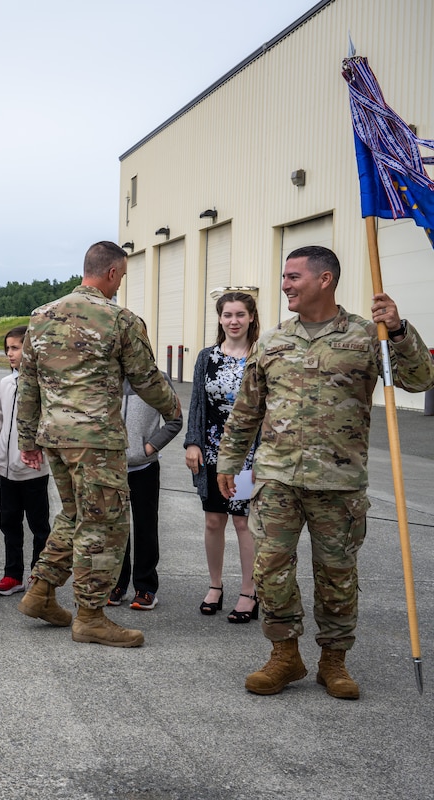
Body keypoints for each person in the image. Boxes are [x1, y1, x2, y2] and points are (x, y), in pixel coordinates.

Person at [217, 245, 434, 699]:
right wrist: (230, 460)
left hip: (339, 482)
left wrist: (398, 331)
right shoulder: (273, 341)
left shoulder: (366, 335)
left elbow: (419, 379)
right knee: (270, 569)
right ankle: (284, 656)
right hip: (276, 478)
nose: (285, 285)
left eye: (293, 277)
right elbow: (248, 408)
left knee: (337, 575)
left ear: (325, 279)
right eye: (284, 277)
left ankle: (333, 661)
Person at [16, 241, 180, 647]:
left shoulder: (40, 316)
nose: (120, 284)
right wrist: (174, 409)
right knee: (104, 525)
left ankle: (41, 591)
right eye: (121, 276)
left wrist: (27, 437)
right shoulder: (120, 319)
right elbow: (145, 379)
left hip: (54, 437)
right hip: (96, 441)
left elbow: (28, 384)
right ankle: (90, 615)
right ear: (111, 273)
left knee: (74, 515)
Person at [184, 292, 260, 622]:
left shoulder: (261, 356)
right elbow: (197, 403)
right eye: (227, 315)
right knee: (214, 520)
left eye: (240, 314)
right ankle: (215, 586)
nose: (234, 321)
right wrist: (193, 443)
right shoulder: (207, 357)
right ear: (219, 318)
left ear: (251, 317)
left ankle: (249, 591)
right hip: (213, 453)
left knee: (243, 522)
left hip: (248, 454)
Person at [0, 325, 51, 597]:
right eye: (7, 348)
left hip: (34, 471)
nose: (10, 353)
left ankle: (38, 576)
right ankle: (13, 575)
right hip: (6, 470)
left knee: (39, 526)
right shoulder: (5, 384)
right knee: (9, 523)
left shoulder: (43, 385)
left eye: (15, 348)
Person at [109, 372, 182, 611]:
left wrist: (148, 447)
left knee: (145, 527)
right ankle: (116, 584)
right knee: (115, 528)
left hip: (144, 467)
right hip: (111, 468)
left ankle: (145, 587)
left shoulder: (157, 379)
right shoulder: (108, 375)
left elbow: (175, 420)